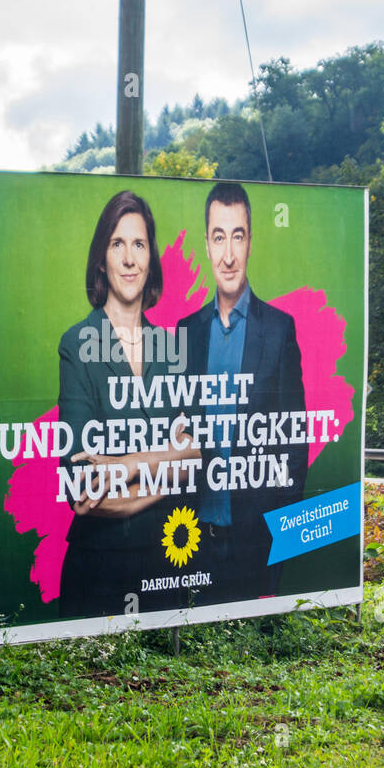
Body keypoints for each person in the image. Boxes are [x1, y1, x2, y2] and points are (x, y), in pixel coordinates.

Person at [56, 190, 199, 619]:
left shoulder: (171, 348)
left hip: (165, 566)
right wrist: (168, 468)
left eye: (139, 244)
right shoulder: (77, 345)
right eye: (118, 244)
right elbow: (84, 488)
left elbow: (195, 460)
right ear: (101, 258)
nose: (130, 258)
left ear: (151, 257)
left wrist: (130, 463)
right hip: (96, 570)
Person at [178, 182, 308, 605]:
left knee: (254, 662)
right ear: (207, 243)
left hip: (258, 542)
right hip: (193, 538)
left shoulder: (279, 329)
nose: (228, 255)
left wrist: (279, 548)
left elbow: (295, 441)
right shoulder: (186, 333)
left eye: (238, 236)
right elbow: (173, 430)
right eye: (219, 237)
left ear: (250, 240)